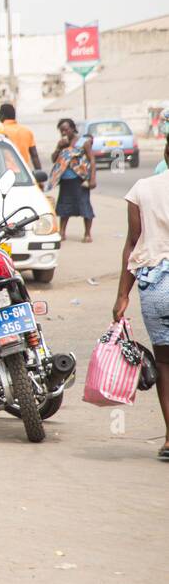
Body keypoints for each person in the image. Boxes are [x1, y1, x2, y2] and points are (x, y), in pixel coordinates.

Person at [112, 135, 169, 461]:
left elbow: (132, 244)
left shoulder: (142, 190)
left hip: (158, 287)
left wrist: (122, 295)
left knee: (165, 363)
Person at [47, 118, 97, 242]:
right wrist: (59, 147)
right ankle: (62, 232)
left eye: (66, 130)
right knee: (64, 207)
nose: (64, 132)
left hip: (79, 180)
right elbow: (54, 159)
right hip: (65, 180)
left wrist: (92, 179)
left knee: (84, 205)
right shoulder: (62, 144)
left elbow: (92, 160)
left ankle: (87, 234)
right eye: (61, 131)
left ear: (73, 129)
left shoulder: (83, 142)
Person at [0, 103, 41, 171]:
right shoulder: (27, 131)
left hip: (4, 172)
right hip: (24, 174)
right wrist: (39, 174)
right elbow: (34, 156)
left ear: (3, 115)